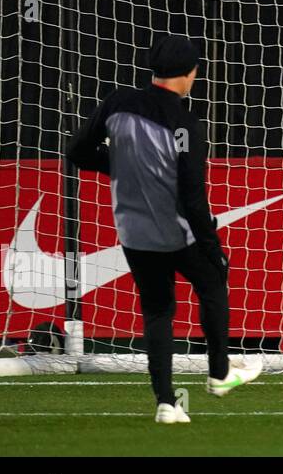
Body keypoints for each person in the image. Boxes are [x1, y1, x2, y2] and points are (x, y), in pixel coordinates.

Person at [66, 34, 262, 423]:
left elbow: (77, 152)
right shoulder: (185, 123)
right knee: (212, 283)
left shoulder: (117, 102)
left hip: (134, 233)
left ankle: (167, 404)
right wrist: (213, 247)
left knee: (157, 311)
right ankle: (220, 374)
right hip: (177, 232)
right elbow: (192, 197)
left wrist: (120, 165)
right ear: (190, 73)